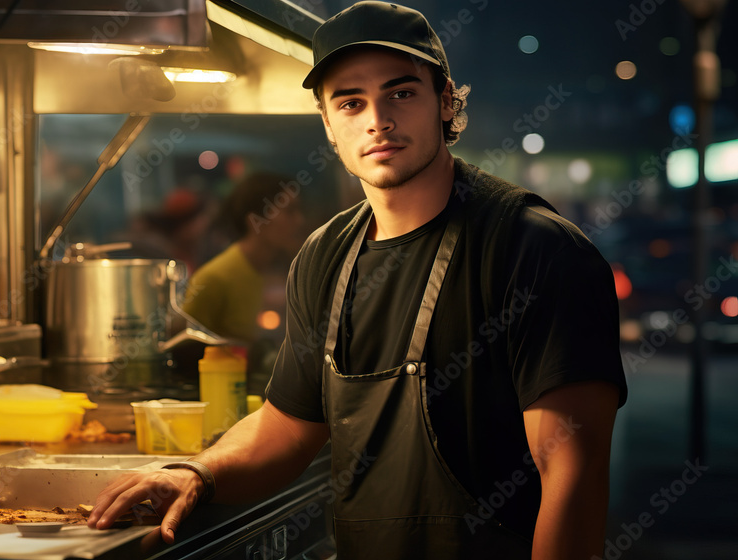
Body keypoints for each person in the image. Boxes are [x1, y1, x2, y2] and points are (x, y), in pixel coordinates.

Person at [88, 3, 627, 559]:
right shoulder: (324, 257)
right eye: (351, 102)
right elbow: (287, 428)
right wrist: (196, 473)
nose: (377, 120)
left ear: (445, 100)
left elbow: (572, 473)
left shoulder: (537, 250)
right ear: (328, 123)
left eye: (401, 93)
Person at [181, 171, 307, 343]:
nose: (300, 221)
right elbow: (184, 346)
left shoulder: (284, 271)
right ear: (255, 220)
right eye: (290, 212)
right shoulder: (214, 279)